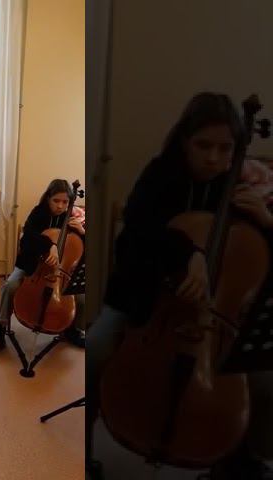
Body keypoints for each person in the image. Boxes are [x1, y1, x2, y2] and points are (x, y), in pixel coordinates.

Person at [86, 92, 273, 480]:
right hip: (149, 302)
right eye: (203, 145)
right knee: (97, 348)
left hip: (216, 318)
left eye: (225, 148)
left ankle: (236, 459)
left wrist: (266, 221)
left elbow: (254, 260)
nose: (213, 158)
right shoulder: (160, 175)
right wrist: (187, 253)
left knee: (260, 379)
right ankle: (83, 447)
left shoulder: (240, 187)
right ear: (184, 140)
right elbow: (135, 238)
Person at [0, 178, 86, 355]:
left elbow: (81, 248)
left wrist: (82, 232)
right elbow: (27, 237)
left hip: (61, 273)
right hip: (33, 267)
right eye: (56, 201)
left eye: (65, 202)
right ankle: (0, 330)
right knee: (10, 286)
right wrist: (49, 246)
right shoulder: (38, 213)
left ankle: (72, 330)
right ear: (48, 198)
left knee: (82, 297)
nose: (60, 206)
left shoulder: (70, 219)